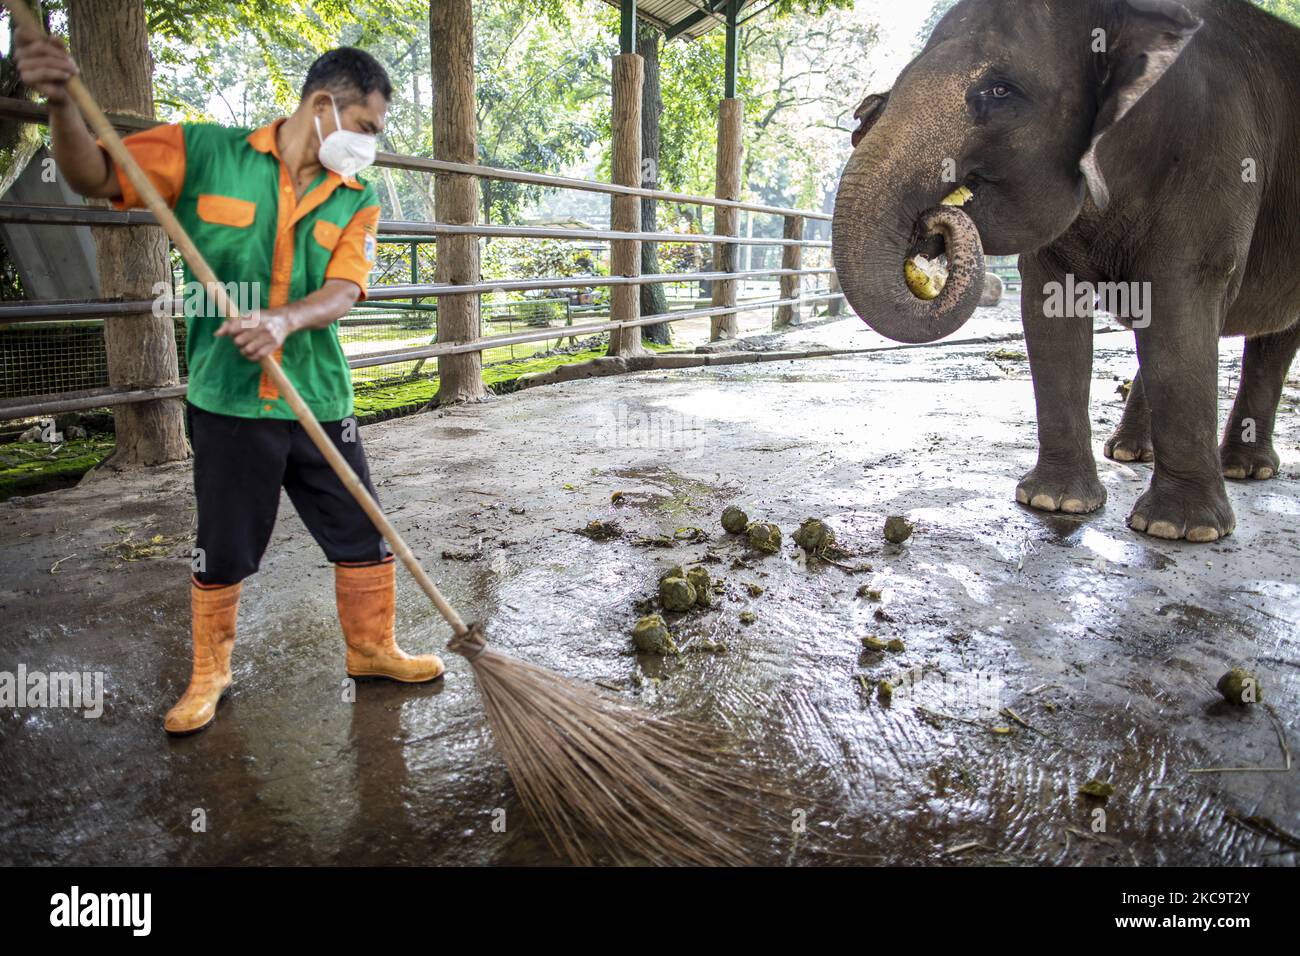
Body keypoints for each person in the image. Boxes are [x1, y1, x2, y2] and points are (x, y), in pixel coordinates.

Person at [13, 31, 444, 735]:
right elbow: (95, 174)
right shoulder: (205, 153)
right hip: (230, 399)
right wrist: (62, 101)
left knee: (362, 532)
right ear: (323, 105)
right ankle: (210, 673)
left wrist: (282, 320)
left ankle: (372, 649)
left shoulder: (353, 196)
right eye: (367, 127)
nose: (371, 144)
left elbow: (345, 289)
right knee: (224, 542)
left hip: (318, 397)